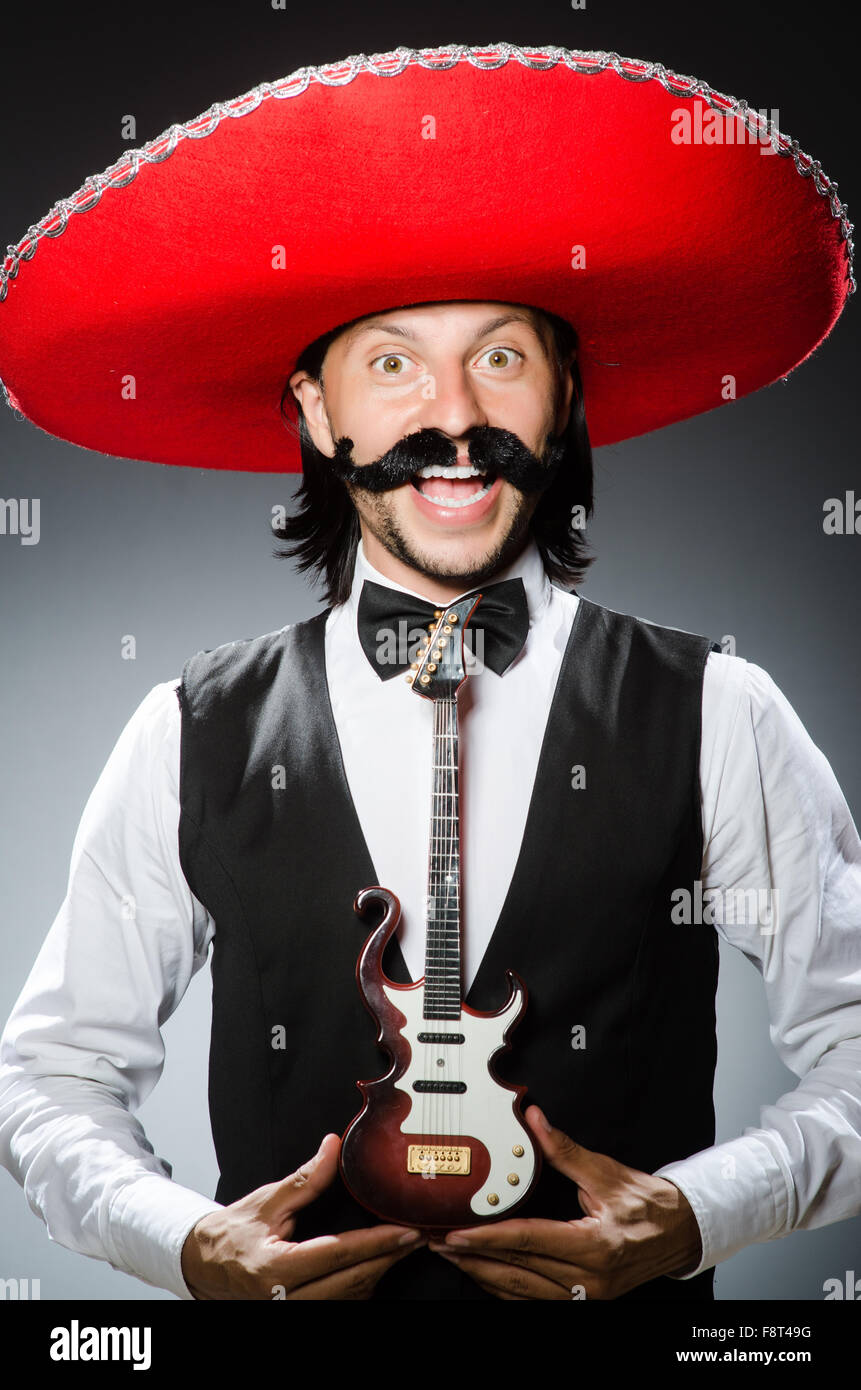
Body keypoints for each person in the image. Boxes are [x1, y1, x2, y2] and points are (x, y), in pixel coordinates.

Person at [0, 43, 858, 1302]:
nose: (453, 417)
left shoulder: (719, 711)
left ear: (563, 401)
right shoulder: (187, 729)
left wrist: (695, 1215)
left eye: (502, 356)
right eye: (393, 362)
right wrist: (189, 1246)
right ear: (315, 411)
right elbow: (53, 1078)